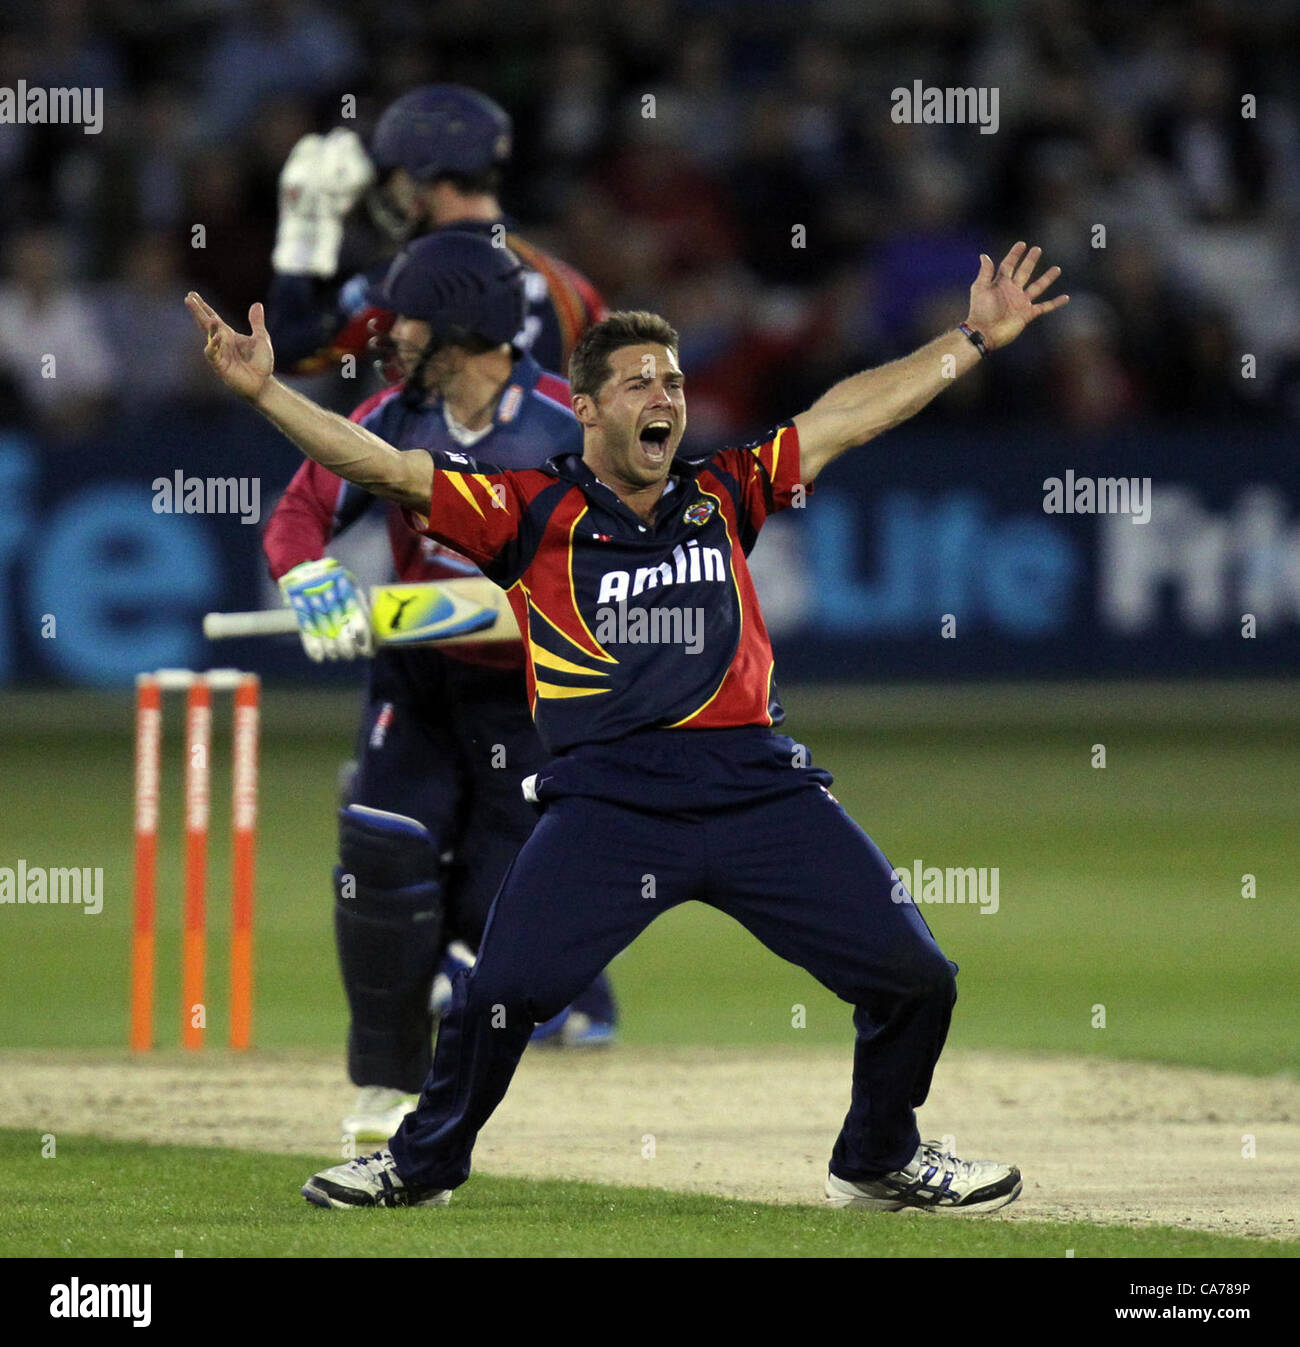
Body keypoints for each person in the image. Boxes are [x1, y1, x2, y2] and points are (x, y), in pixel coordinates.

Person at [186, 239, 1068, 1213]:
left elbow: (844, 419)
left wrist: (971, 340)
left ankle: (877, 1157)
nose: (664, 396)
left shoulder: (725, 491)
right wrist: (267, 397)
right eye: (638, 381)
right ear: (591, 406)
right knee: (501, 997)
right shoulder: (527, 513)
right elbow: (391, 468)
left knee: (918, 979)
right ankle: (421, 1163)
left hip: (758, 790)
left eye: (675, 380)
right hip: (609, 803)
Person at [264, 229, 618, 1142]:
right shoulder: (391, 415)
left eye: (411, 318)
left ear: (462, 325)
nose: (393, 334)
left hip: (535, 699)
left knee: (498, 908)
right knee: (382, 856)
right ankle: (383, 1088)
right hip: (415, 686)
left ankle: (468, 1082)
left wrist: (495, 605)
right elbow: (303, 510)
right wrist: (308, 576)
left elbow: (610, 573)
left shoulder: (565, 426)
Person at [267, 83, 606, 376]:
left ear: (420, 175)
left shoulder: (403, 280)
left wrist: (303, 237)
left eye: (393, 176)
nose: (388, 191)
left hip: (436, 451)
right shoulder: (572, 288)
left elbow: (283, 354)